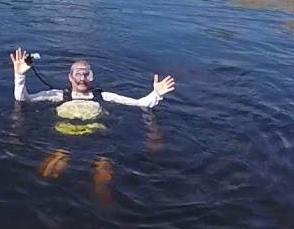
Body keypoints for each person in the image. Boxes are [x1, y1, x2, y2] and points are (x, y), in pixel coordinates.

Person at [10, 47, 175, 201]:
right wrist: (20, 76)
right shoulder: (58, 95)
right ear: (70, 77)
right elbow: (24, 99)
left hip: (97, 143)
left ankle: (106, 214)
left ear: (92, 77)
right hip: (64, 141)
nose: (82, 79)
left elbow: (140, 104)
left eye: (86, 74)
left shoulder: (103, 96)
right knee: (44, 178)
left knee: (103, 182)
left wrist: (155, 94)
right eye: (78, 74)